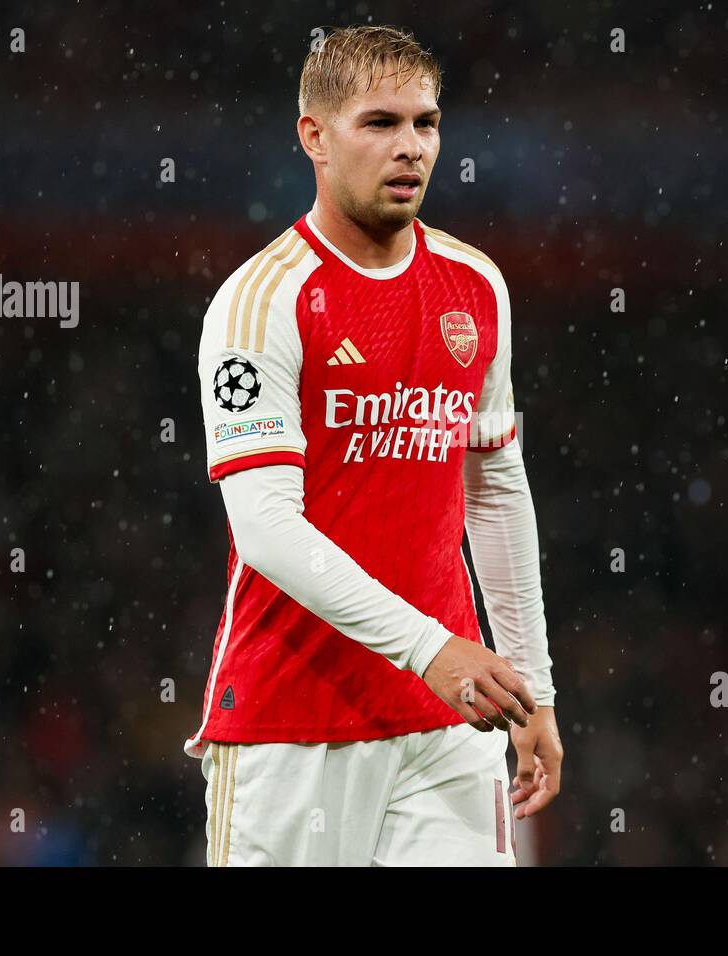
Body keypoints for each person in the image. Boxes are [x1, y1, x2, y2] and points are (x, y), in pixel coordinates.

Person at [186, 24, 562, 866]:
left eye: (426, 124)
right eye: (380, 123)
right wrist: (432, 648)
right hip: (291, 723)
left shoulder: (476, 285)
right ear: (314, 137)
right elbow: (267, 529)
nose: (411, 148)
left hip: (449, 719)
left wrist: (530, 686)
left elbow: (495, 488)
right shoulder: (259, 303)